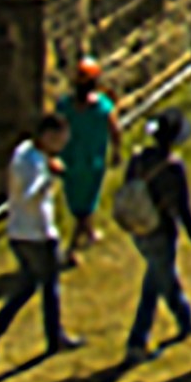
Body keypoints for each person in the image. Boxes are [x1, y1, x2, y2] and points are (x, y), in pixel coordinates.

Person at [0, 110, 74, 366]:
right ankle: (54, 337)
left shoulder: (24, 153)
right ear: (47, 136)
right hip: (36, 233)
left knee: (25, 290)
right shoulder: (34, 163)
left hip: (19, 232)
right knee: (49, 288)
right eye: (59, 140)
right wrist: (51, 176)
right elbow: (30, 195)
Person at [111, 108, 191, 362]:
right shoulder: (173, 167)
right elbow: (183, 207)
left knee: (160, 275)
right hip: (161, 229)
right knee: (156, 284)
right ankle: (137, 341)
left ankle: (186, 318)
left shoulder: (138, 159)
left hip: (138, 227)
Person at [54, 59, 121, 246]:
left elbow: (56, 129)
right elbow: (115, 129)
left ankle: (88, 232)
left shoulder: (65, 106)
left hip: (72, 161)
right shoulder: (102, 107)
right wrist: (116, 151)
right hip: (92, 161)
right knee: (87, 202)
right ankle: (75, 243)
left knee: (78, 202)